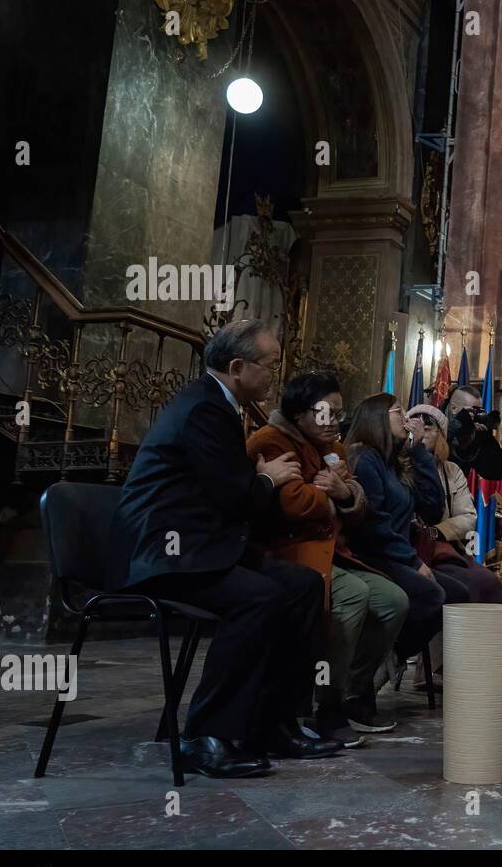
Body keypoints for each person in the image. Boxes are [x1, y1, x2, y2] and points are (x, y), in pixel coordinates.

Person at [107, 319, 342, 778]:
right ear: (237, 367)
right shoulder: (205, 410)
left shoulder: (219, 404)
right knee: (258, 598)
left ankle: (273, 721)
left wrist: (261, 482)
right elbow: (234, 496)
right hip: (165, 553)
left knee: (302, 585)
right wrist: (268, 479)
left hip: (202, 544)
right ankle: (205, 735)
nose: (275, 374)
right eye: (269, 365)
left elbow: (231, 497)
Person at [246, 372, 409, 742]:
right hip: (289, 552)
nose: (335, 421)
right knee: (353, 594)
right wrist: (335, 495)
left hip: (333, 551)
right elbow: (293, 503)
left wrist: (342, 491)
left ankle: (351, 689)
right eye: (326, 413)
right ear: (301, 412)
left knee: (393, 600)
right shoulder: (270, 441)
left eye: (338, 413)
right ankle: (326, 704)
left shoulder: (328, 444)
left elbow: (357, 495)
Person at [344, 394, 448, 684]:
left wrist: (419, 453)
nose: (407, 419)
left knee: (454, 594)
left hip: (396, 553)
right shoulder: (365, 459)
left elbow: (432, 509)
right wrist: (413, 562)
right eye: (398, 411)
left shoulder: (392, 463)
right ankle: (375, 664)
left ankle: (392, 653)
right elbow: (374, 523)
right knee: (432, 596)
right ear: (376, 418)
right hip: (373, 554)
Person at [407, 403, 502, 604]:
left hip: (444, 547)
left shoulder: (451, 471)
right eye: (415, 428)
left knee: (490, 581)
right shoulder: (400, 466)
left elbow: (468, 517)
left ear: (442, 436)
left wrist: (437, 531)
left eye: (428, 429)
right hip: (411, 548)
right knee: (472, 584)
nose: (421, 434)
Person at [442, 384, 502, 481]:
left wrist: (486, 439)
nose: (474, 415)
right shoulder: (431, 420)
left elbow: (497, 473)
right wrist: (457, 424)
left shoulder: (470, 432)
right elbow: (431, 459)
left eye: (477, 411)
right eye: (471, 410)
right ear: (453, 408)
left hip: (457, 492)